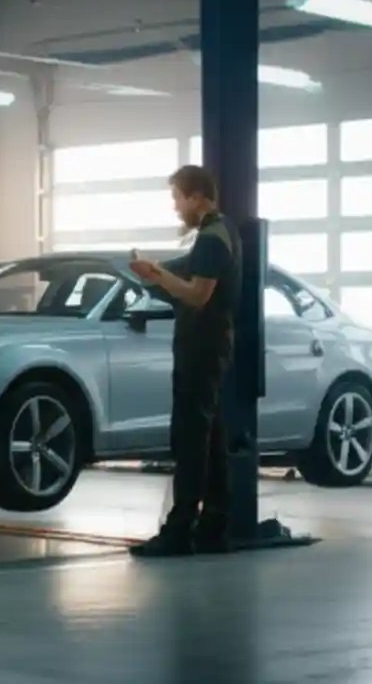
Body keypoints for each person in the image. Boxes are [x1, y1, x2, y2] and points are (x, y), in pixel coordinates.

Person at [128, 165, 241, 557]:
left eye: (177, 197)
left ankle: (179, 531)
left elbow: (197, 296)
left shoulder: (211, 238)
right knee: (209, 438)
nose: (176, 207)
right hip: (209, 346)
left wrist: (157, 275)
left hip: (202, 348)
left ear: (196, 197)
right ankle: (213, 528)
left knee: (191, 438)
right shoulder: (220, 233)